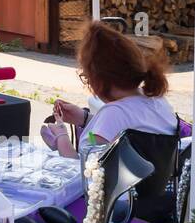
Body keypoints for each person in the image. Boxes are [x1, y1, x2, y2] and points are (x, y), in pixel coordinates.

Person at [41, 20, 178, 157]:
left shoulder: (114, 113)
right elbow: (97, 141)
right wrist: (85, 120)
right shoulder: (157, 100)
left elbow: (84, 170)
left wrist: (61, 137)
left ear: (99, 80)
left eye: (86, 77)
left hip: (113, 179)